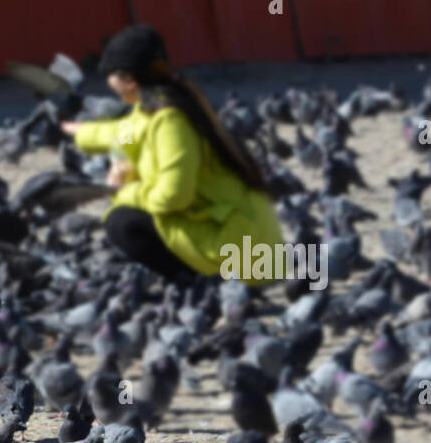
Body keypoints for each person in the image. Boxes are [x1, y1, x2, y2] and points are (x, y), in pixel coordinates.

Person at [62, 25, 283, 287]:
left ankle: (205, 285)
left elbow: (174, 197)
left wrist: (122, 191)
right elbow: (123, 134)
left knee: (122, 222)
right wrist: (79, 132)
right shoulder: (164, 101)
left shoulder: (170, 121)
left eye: (111, 76)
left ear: (130, 80)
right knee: (129, 212)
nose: (109, 83)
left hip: (244, 251)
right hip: (240, 231)